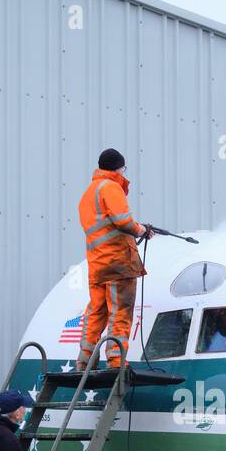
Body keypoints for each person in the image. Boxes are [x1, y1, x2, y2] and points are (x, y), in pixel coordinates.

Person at [77, 149, 151, 369]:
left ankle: (84, 360)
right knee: (120, 311)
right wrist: (141, 230)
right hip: (118, 262)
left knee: (96, 311)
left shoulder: (88, 193)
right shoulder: (111, 187)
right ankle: (116, 360)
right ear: (119, 168)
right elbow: (122, 221)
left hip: (97, 265)